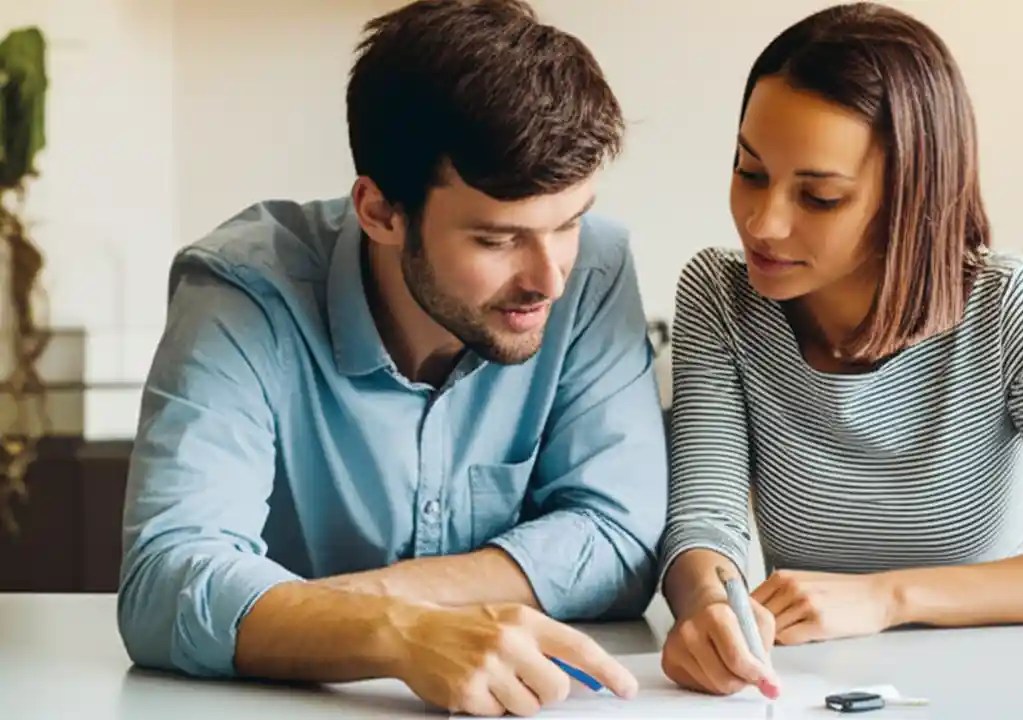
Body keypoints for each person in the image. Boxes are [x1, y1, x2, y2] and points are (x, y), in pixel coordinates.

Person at [118, 1, 668, 715]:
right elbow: (168, 581)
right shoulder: (243, 292)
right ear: (379, 211)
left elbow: (618, 537)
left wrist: (354, 604)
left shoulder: (593, 267)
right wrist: (399, 635)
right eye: (498, 240)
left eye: (568, 223)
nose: (549, 278)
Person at [658, 2, 1023, 697]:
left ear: (909, 196)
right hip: (820, 689)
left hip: (1013, 683)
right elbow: (706, 522)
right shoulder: (720, 295)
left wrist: (886, 598)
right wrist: (711, 610)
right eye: (750, 173)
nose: (763, 222)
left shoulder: (1010, 304)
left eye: (819, 197)